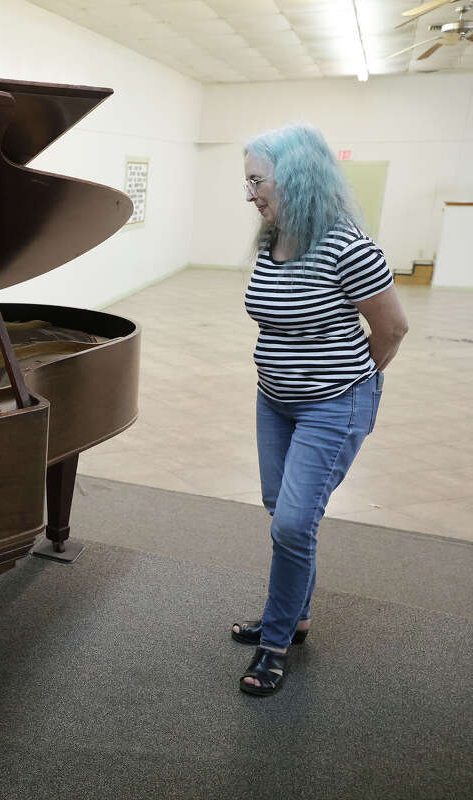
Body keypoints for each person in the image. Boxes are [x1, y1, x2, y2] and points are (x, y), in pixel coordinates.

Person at [232, 123, 408, 696]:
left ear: (296, 177)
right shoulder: (272, 238)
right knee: (281, 512)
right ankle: (296, 616)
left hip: (332, 406)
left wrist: (350, 382)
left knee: (292, 521)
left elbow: (392, 328)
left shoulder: (347, 245)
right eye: (248, 182)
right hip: (274, 400)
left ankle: (275, 642)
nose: (251, 194)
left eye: (257, 181)